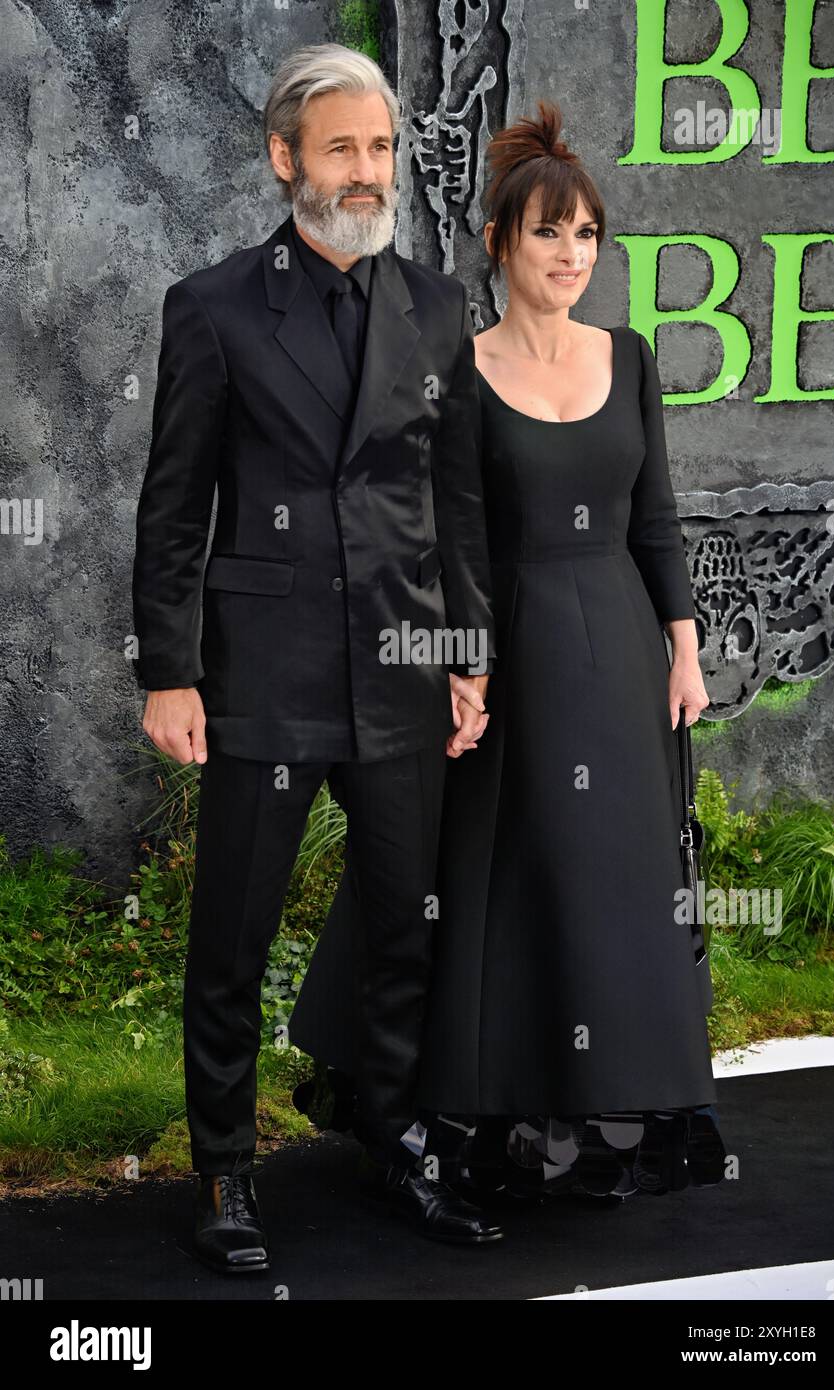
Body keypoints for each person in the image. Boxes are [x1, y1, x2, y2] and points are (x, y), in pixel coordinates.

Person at [289, 99, 727, 1217]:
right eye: (546, 234)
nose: (569, 256)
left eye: (585, 236)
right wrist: (463, 666)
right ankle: (479, 1106)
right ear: (498, 244)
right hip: (510, 654)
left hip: (623, 653)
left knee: (608, 878)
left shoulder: (627, 358)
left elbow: (657, 521)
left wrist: (682, 653)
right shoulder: (462, 369)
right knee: (501, 877)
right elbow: (456, 535)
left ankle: (607, 1104)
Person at [131, 43, 505, 1275]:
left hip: (405, 662)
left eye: (382, 147)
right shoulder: (218, 305)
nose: (365, 171)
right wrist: (169, 671)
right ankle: (225, 1171)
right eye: (341, 146)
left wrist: (465, 655)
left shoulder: (439, 305)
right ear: (285, 157)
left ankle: (393, 1137)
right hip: (264, 674)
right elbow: (174, 506)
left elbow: (454, 506)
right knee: (232, 933)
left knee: (406, 925)